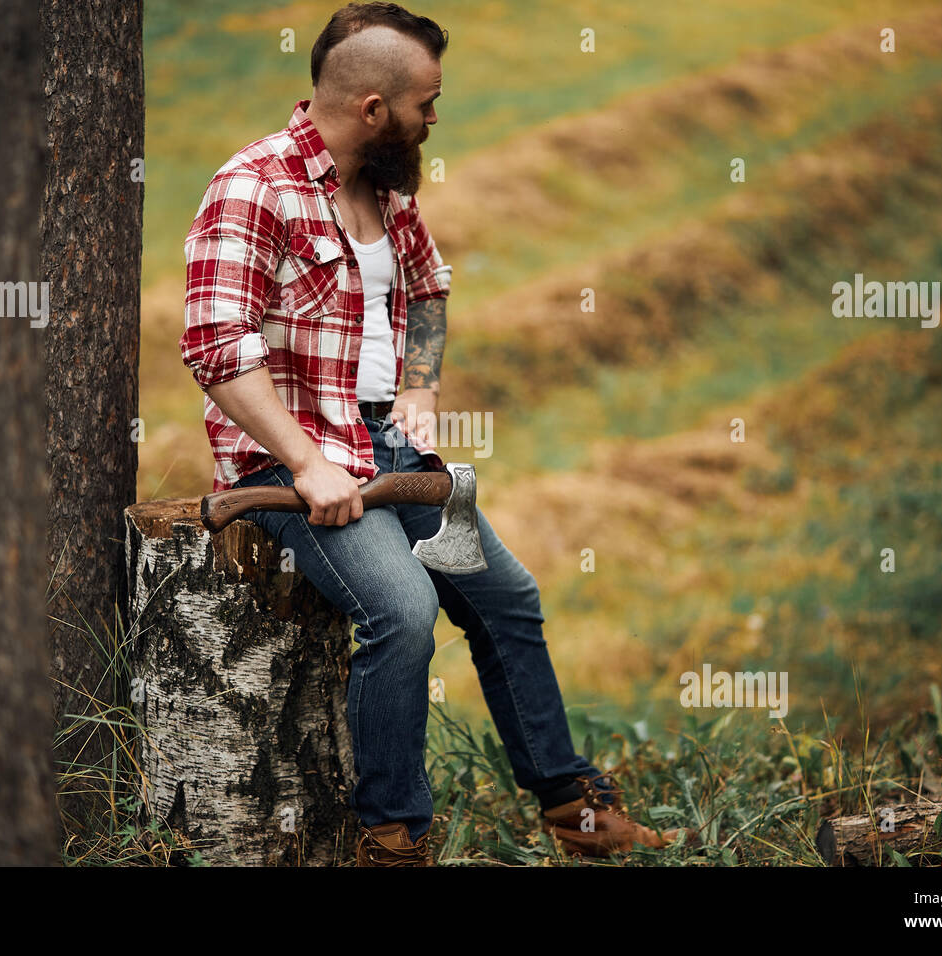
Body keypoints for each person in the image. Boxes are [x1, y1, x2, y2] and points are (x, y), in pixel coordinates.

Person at [180, 1, 691, 866]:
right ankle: (392, 839)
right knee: (404, 612)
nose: (435, 118)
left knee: (506, 599)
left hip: (398, 459)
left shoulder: (382, 189)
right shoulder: (252, 187)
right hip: (294, 460)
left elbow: (427, 286)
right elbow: (214, 347)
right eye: (427, 102)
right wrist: (308, 466)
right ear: (373, 108)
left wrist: (419, 387)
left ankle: (575, 813)